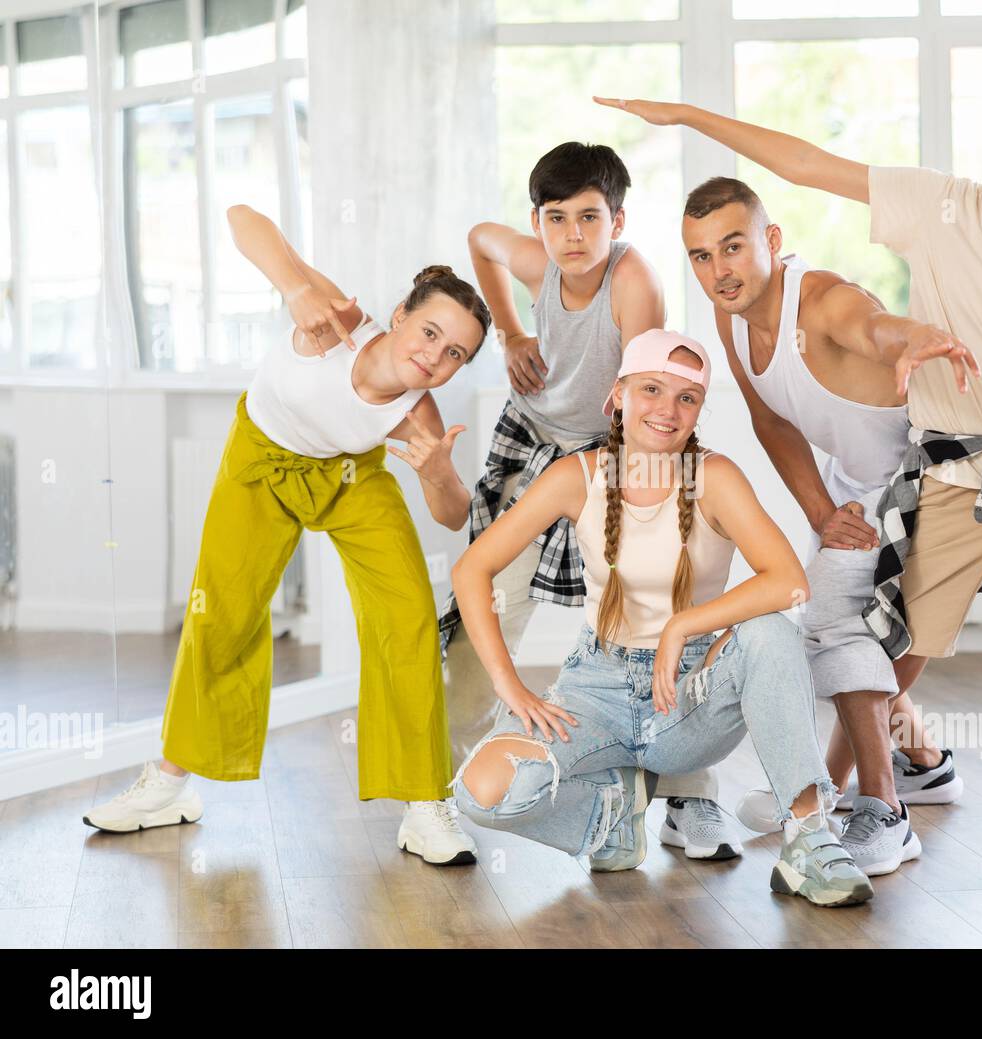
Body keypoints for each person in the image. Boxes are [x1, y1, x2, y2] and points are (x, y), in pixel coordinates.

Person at [599, 88, 982, 893]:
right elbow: (806, 163)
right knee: (885, 646)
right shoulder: (942, 208)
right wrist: (689, 117)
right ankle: (854, 795)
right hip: (952, 467)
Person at [84, 204, 490, 867]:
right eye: (429, 331)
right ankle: (168, 783)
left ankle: (425, 802)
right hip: (261, 460)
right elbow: (242, 217)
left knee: (409, 613)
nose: (433, 356)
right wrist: (295, 284)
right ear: (399, 317)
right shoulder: (334, 319)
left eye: (455, 354)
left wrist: (439, 474)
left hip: (350, 476)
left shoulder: (419, 413)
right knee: (220, 614)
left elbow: (452, 515)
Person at [450, 330, 874, 907]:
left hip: (689, 696)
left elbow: (788, 582)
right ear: (618, 395)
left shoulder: (715, 477)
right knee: (483, 793)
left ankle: (808, 839)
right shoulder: (577, 476)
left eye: (687, 398)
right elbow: (472, 569)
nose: (668, 411)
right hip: (594, 689)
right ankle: (612, 814)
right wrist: (509, 684)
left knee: (773, 631)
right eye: (652, 389)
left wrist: (683, 626)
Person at [441, 142, 734, 859]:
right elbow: (480, 239)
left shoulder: (631, 281)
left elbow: (650, 392)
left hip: (616, 449)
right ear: (539, 222)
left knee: (660, 601)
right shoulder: (539, 262)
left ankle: (690, 792)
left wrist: (634, 486)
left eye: (590, 217)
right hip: (532, 437)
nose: (573, 235)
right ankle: (452, 774)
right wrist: (511, 330)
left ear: (619, 219)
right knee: (493, 593)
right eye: (556, 217)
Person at [679, 176, 972, 876]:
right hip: (855, 482)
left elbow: (871, 324)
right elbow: (772, 419)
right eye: (698, 255)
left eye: (732, 247)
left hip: (931, 473)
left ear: (771, 242)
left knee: (837, 629)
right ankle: (917, 767)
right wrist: (818, 511)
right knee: (863, 647)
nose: (717, 270)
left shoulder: (823, 299)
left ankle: (880, 808)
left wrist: (908, 337)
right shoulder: (731, 312)